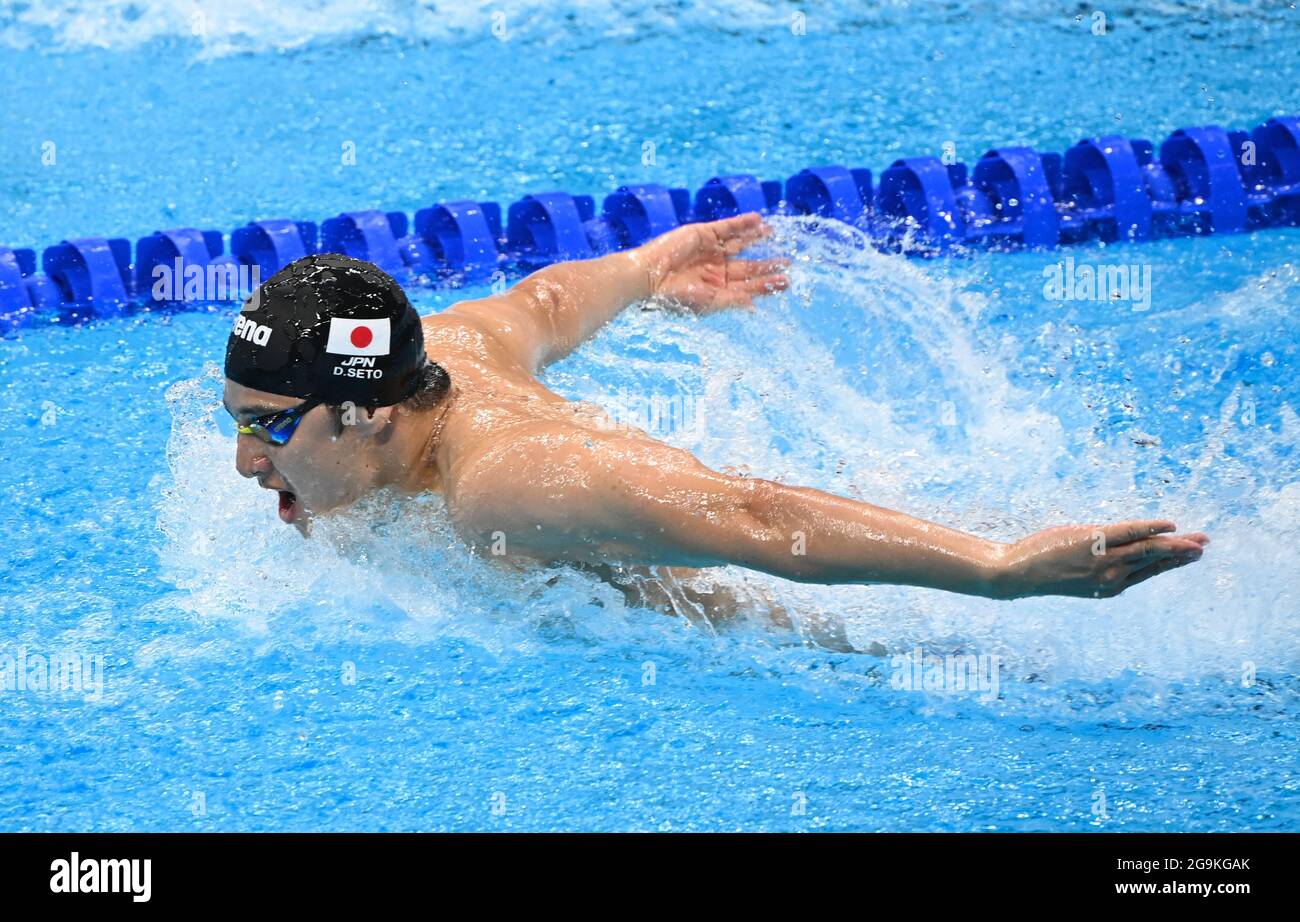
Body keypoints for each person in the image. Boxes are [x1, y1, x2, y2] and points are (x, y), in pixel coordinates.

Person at [222, 213, 1207, 619]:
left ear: (373, 413)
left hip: (838, 617)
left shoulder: (506, 487)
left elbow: (756, 521)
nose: (239, 461)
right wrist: (655, 268)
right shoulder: (445, 346)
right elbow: (550, 303)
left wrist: (999, 570)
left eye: (267, 427)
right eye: (240, 420)